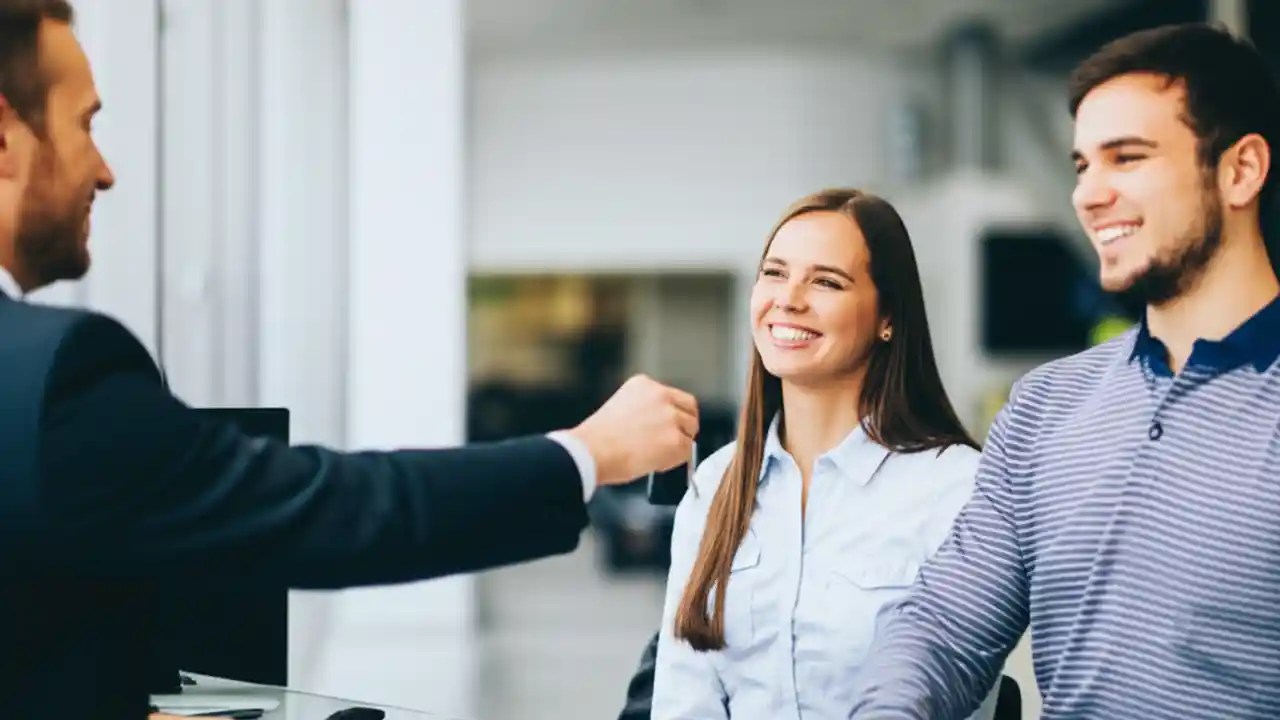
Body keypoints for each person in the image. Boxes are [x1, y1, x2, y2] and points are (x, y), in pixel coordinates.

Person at [0, 3, 700, 717]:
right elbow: (325, 508)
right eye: (84, 123)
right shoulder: (50, 377)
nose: (105, 169)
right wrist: (588, 452)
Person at [847, 22, 1280, 719]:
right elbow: (945, 626)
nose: (1087, 195)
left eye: (1127, 158)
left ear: (1241, 170)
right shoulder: (1047, 406)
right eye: (1081, 165)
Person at [650, 188, 999, 719]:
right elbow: (683, 698)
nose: (788, 299)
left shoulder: (959, 490)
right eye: (774, 273)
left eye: (827, 282)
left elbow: (961, 692)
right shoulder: (715, 484)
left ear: (888, 318)